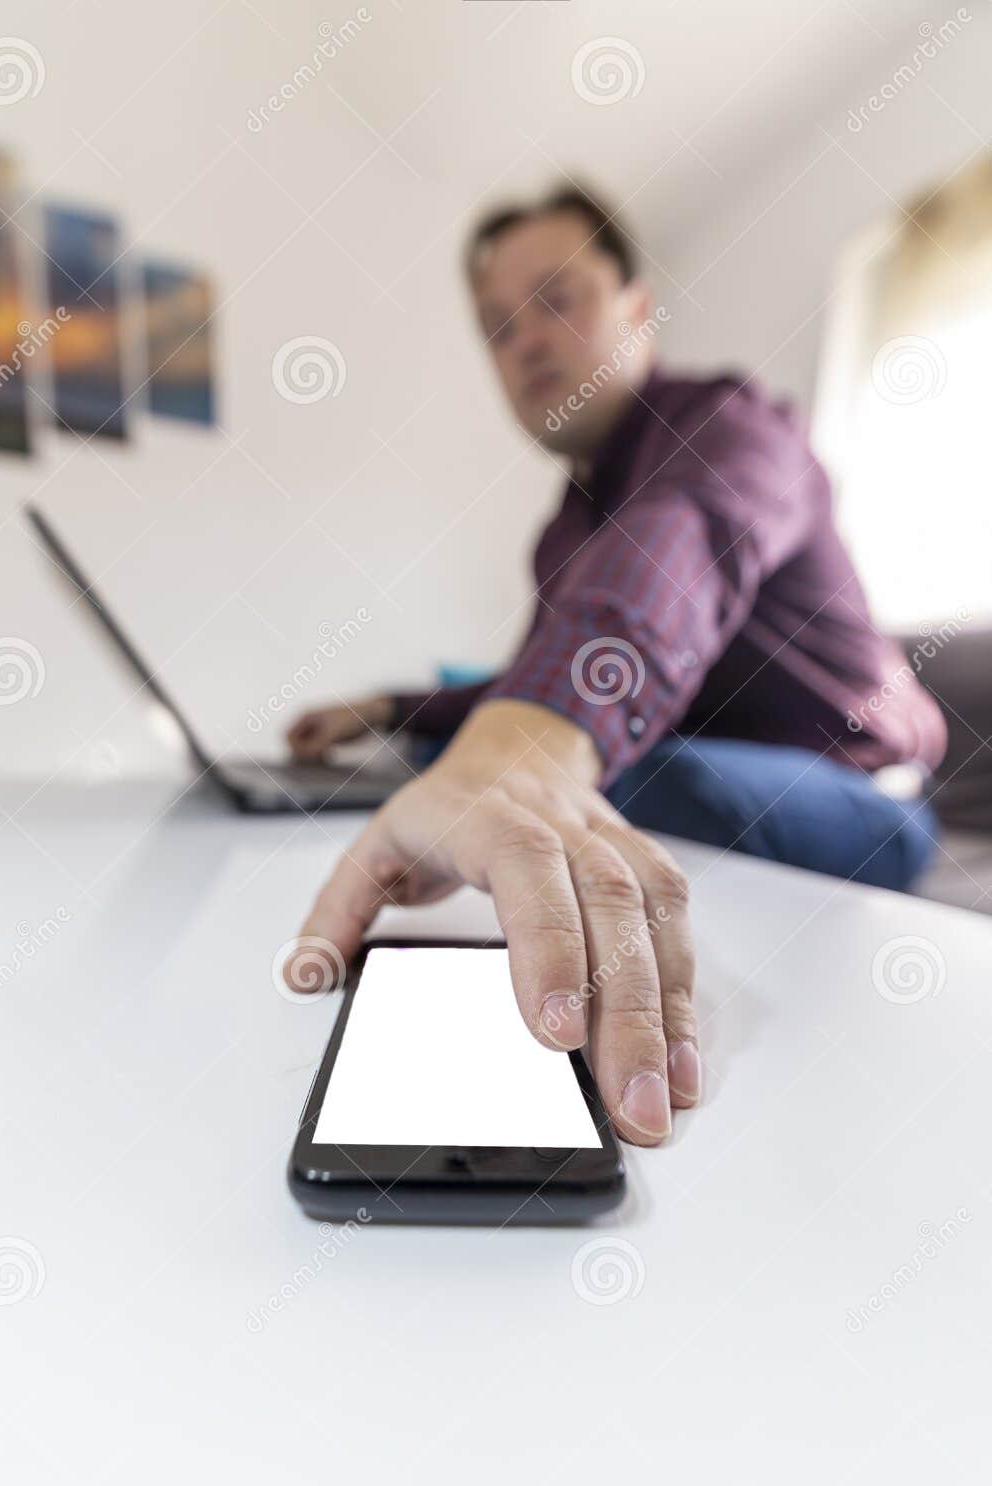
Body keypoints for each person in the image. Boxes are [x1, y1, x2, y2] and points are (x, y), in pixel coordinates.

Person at [285, 185, 946, 1148]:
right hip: (699, 771)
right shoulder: (561, 534)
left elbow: (669, 556)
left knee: (609, 765)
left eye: (557, 299)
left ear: (636, 309)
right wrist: (387, 707)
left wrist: (517, 753)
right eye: (497, 325)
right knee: (524, 752)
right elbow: (532, 674)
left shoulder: (736, 429)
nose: (525, 341)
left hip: (866, 799)